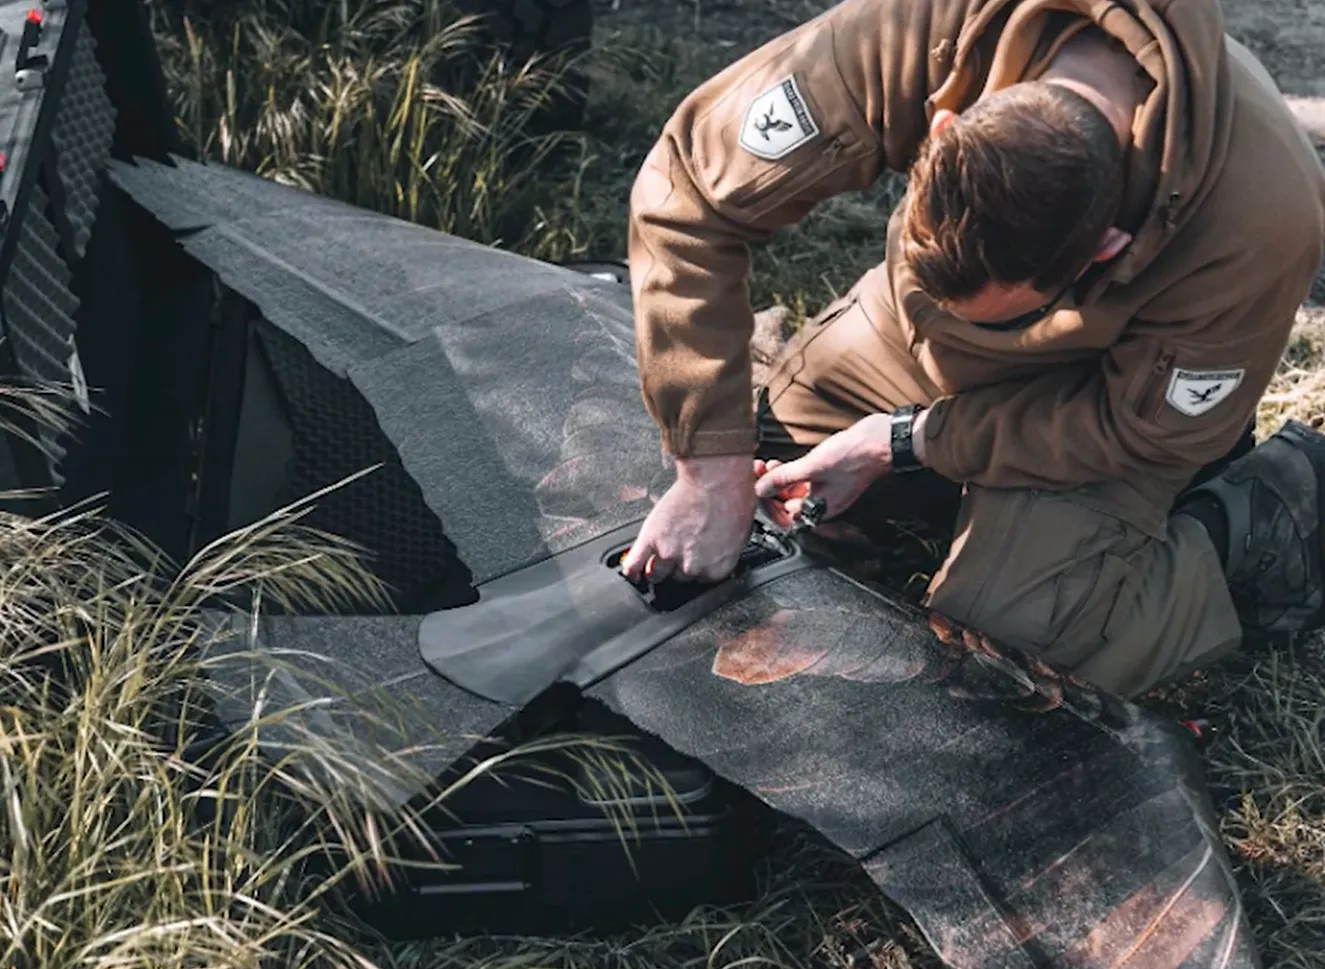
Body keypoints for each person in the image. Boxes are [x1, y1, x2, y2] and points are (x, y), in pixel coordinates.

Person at [617, 0, 1325, 698]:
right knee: (761, 481)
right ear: (945, 126)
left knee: (1007, 662)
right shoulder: (930, 28)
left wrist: (905, 442)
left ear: (1104, 251)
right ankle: (940, 481)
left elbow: (1140, 429)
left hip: (1096, 402)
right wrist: (710, 471)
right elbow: (688, 190)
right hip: (905, 334)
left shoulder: (1258, 214)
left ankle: (1256, 520)